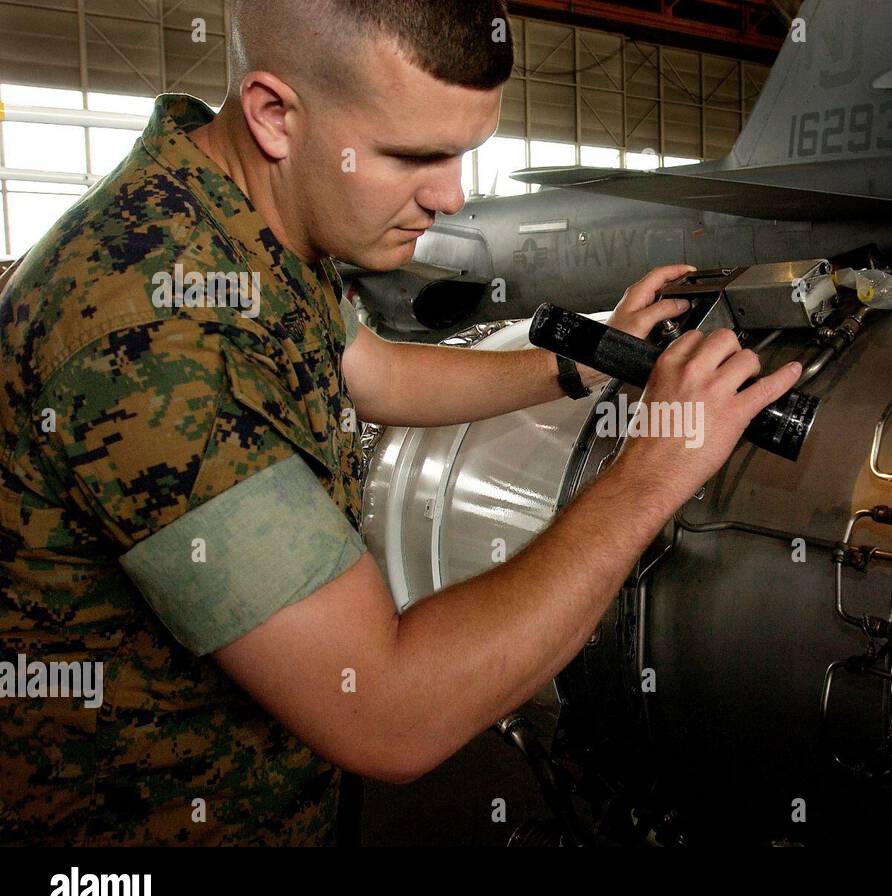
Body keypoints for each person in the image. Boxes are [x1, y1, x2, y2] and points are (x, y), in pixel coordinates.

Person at [0, 0, 801, 844]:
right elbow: (383, 709)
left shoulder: (243, 221)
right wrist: (651, 471)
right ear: (275, 114)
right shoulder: (154, 330)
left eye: (462, 153)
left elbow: (375, 372)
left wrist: (584, 361)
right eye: (412, 155)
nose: (451, 198)